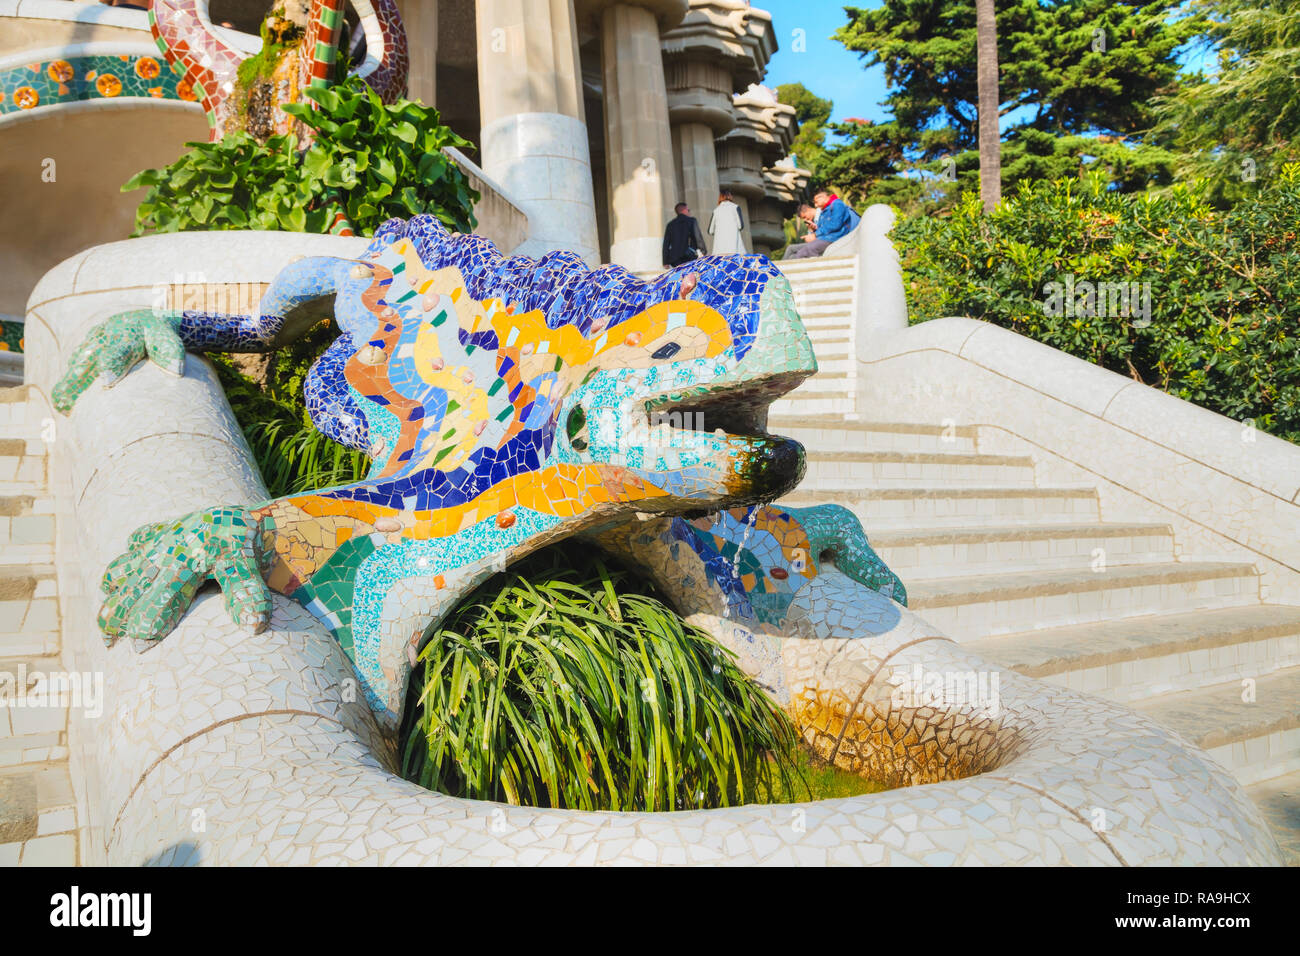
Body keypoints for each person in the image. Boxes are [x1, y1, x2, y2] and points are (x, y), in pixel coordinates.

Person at [783, 189, 861, 259]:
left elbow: (835, 224)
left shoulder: (837, 204)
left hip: (834, 238)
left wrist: (815, 234)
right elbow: (822, 228)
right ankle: (776, 274)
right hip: (825, 238)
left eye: (816, 202)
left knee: (802, 253)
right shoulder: (824, 211)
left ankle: (776, 274)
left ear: (823, 197)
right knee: (791, 251)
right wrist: (813, 230)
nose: (816, 205)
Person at [662, 202, 707, 267]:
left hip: (675, 259)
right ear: (684, 210)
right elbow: (698, 237)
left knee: (679, 276)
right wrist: (703, 251)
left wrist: (665, 261)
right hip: (689, 256)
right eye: (688, 210)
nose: (689, 212)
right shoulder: (692, 221)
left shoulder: (670, 225)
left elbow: (666, 244)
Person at [708, 190, 747, 256]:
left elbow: (710, 231)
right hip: (735, 248)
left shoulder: (716, 211)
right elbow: (740, 226)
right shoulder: (735, 207)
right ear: (729, 196)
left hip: (719, 251)